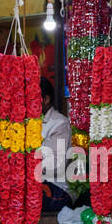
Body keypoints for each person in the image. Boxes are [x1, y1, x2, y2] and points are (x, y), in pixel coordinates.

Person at [39, 78, 73, 213]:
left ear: (46, 99)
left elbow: (56, 166)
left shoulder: (59, 123)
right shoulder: (23, 122)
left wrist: (23, 162)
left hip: (57, 189)